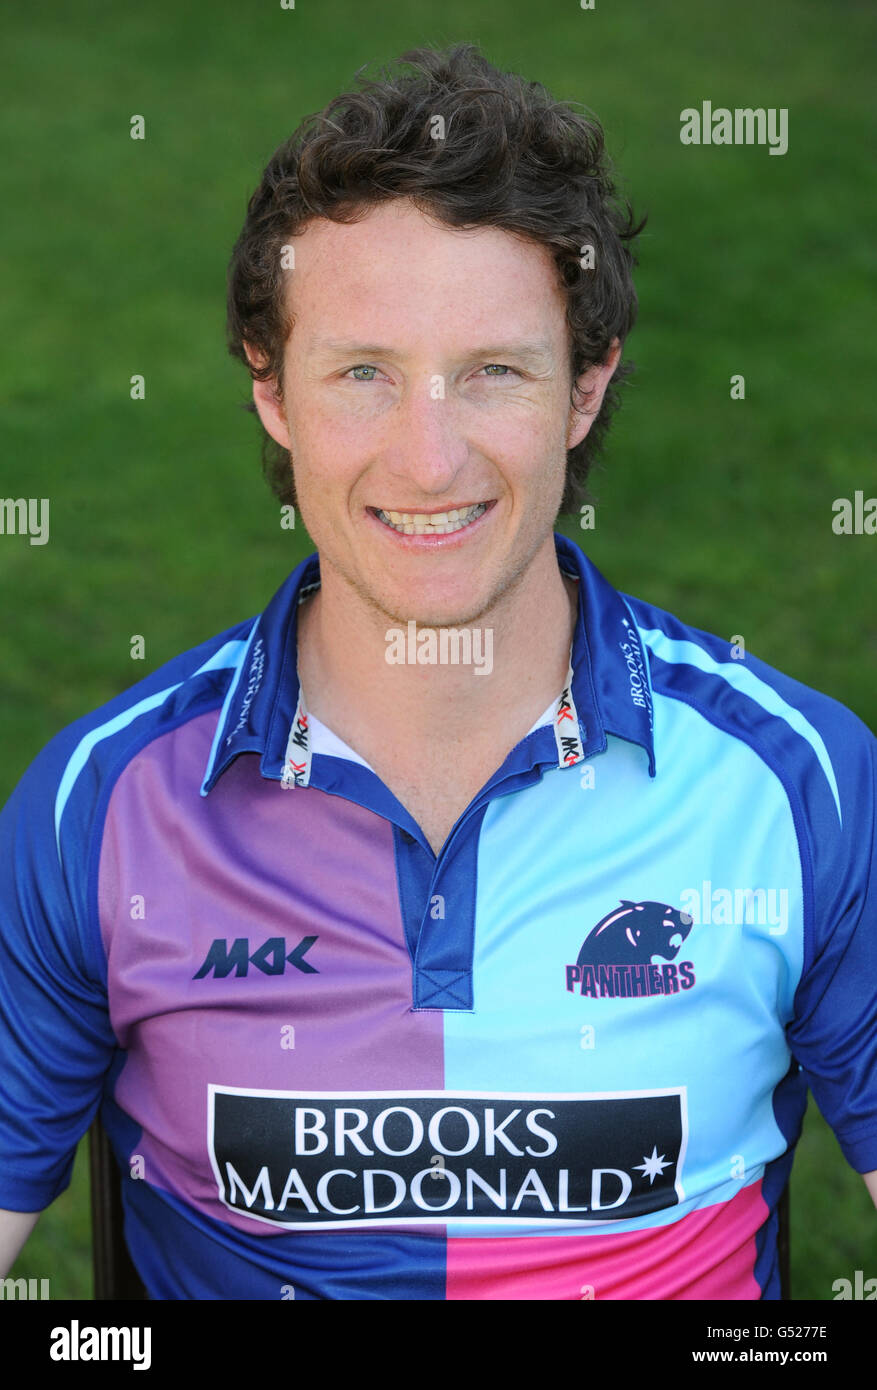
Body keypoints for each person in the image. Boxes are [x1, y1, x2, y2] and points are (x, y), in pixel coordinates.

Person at [0, 43, 875, 1302]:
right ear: (273, 395)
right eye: (363, 373)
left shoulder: (801, 791)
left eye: (494, 373)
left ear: (586, 387)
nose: (427, 458)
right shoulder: (102, 805)